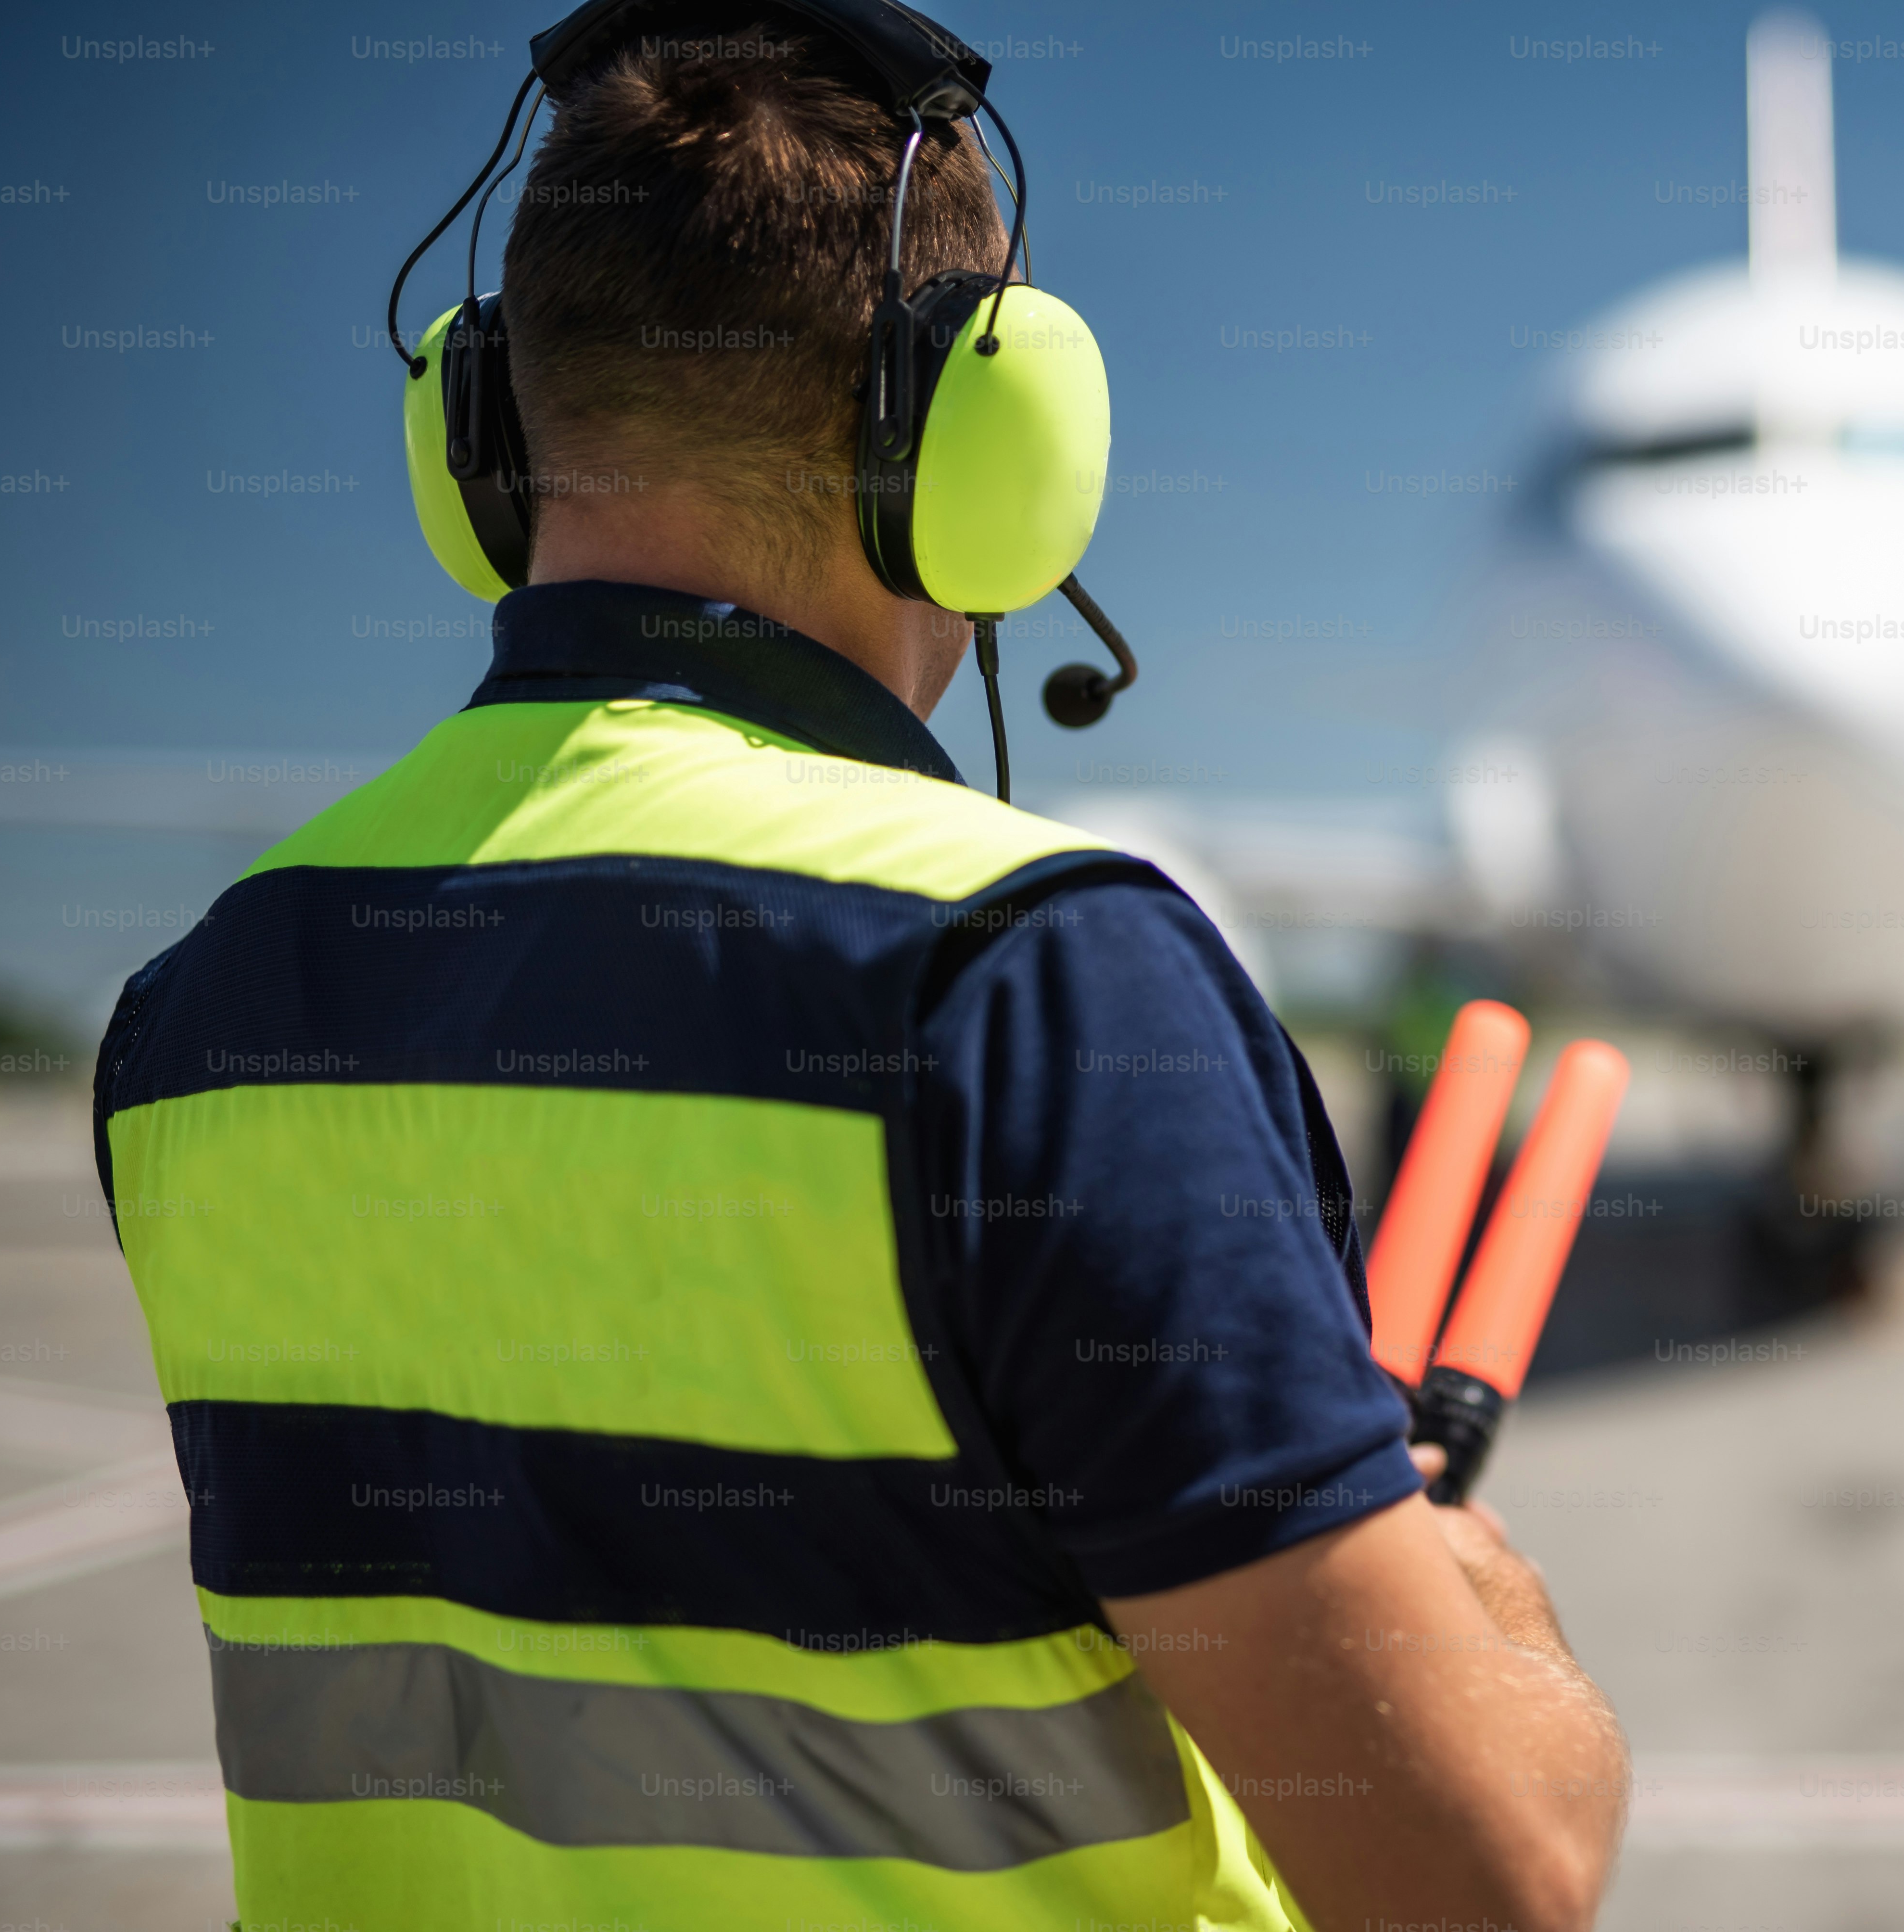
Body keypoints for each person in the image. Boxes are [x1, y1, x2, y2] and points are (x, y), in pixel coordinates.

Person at [93, 15, 1625, 1929]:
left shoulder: (201, 1015)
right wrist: (1468, 1579)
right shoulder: (1025, 981)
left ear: (476, 438)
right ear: (988, 441)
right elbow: (1493, 1877)